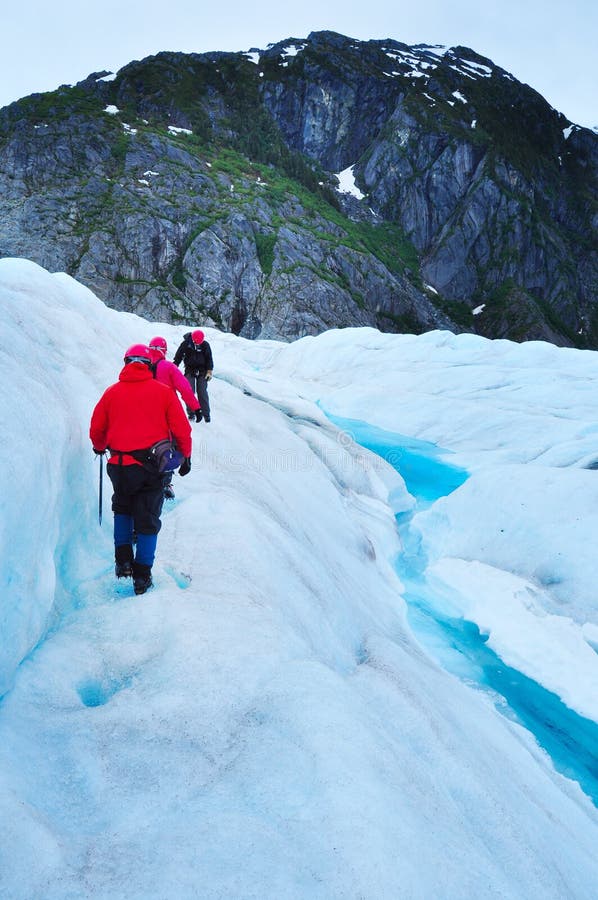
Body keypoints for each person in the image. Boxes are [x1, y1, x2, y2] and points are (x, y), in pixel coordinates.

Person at [90, 343, 192, 595]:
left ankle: (123, 562)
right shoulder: (163, 393)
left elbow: (97, 430)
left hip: (119, 466)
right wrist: (185, 456)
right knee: (147, 519)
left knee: (123, 508)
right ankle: (142, 576)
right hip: (151, 469)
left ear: (126, 363)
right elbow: (182, 429)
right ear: (148, 365)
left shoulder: (111, 393)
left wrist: (100, 446)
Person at [148, 335, 202, 500]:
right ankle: (165, 481)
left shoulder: (142, 365)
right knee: (170, 444)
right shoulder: (168, 367)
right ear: (164, 350)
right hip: (167, 412)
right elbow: (185, 389)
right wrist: (196, 408)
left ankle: (147, 478)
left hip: (145, 412)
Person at [173, 329, 214, 422]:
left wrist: (209, 371)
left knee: (202, 391)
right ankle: (191, 413)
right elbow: (179, 356)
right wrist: (174, 366)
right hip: (190, 369)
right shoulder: (186, 344)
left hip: (203, 371)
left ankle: (206, 414)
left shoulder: (205, 345)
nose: (198, 344)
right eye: (196, 342)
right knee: (189, 391)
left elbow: (209, 359)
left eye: (200, 343)